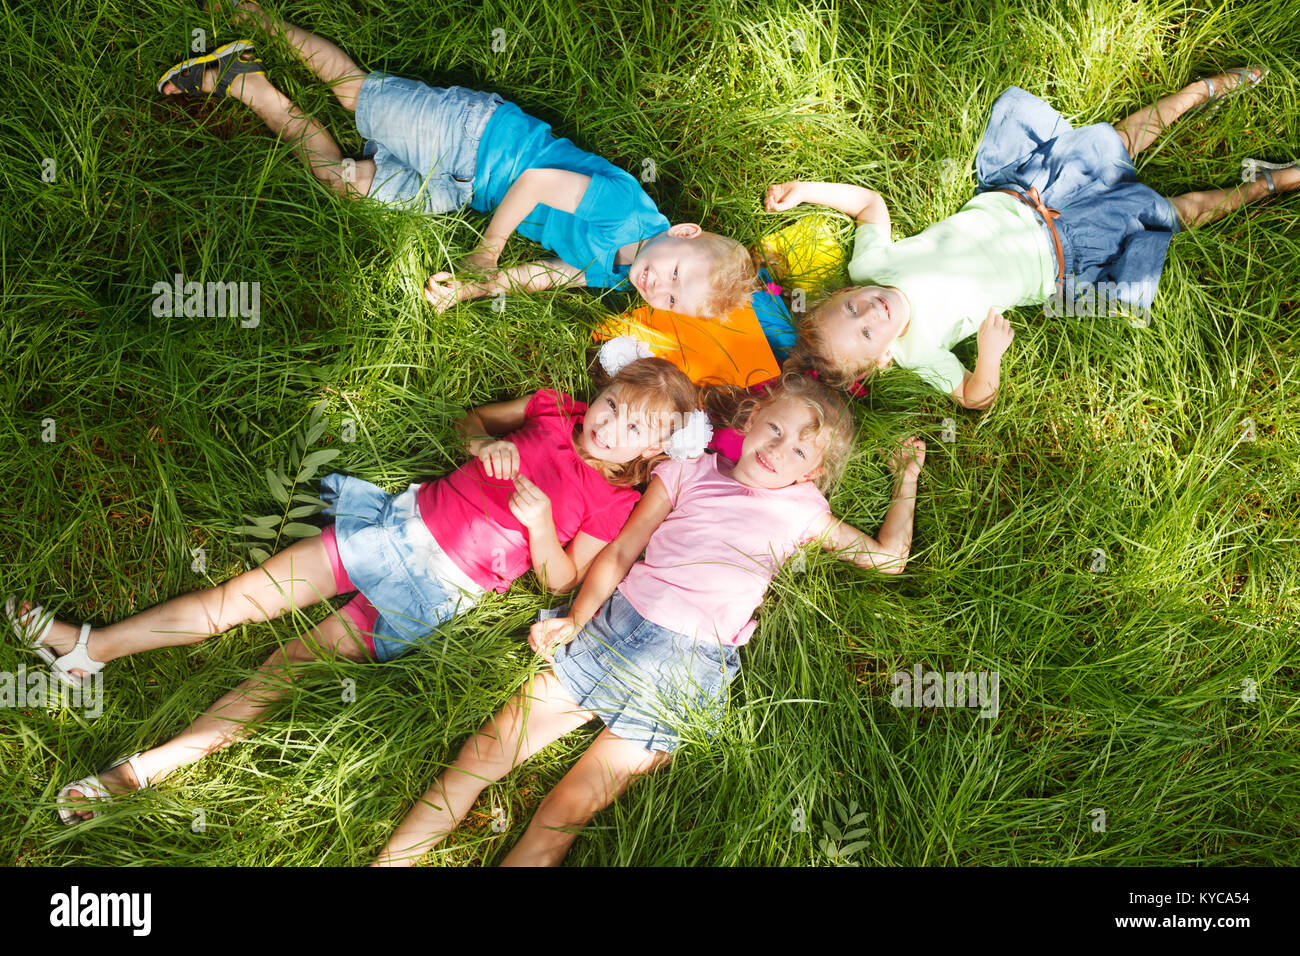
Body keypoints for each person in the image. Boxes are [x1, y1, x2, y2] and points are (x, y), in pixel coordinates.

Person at [9, 348, 706, 824]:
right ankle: (89, 649)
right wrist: (479, 445)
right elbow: (473, 422)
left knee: (279, 673)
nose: (608, 425)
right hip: (393, 528)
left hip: (433, 587)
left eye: (632, 429)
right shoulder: (554, 410)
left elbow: (562, 578)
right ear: (602, 389)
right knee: (238, 600)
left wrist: (544, 525)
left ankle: (140, 773)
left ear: (653, 453)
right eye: (612, 404)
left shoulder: (612, 502)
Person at [374, 372, 925, 865]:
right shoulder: (688, 470)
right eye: (776, 429)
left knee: (564, 808)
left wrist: (907, 480)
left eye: (801, 452)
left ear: (816, 471)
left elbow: (889, 559)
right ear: (753, 417)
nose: (780, 451)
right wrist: (576, 618)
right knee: (484, 752)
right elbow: (619, 552)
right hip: (617, 627)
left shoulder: (805, 510)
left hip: (689, 670)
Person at [155, 3, 757, 318]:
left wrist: (473, 288)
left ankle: (249, 83)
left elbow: (549, 275)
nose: (660, 286)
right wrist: (489, 248)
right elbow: (538, 182)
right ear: (682, 233)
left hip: (464, 191)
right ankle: (255, 17)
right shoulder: (626, 210)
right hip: (475, 138)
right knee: (352, 91)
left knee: (342, 184)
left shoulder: (615, 274)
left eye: (673, 301)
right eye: (676, 272)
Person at [770, 68, 1297, 407]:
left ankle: (1199, 91)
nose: (870, 313)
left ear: (845, 292)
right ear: (883, 359)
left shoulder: (871, 268)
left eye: (851, 309)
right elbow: (974, 399)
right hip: (1068, 252)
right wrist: (989, 355)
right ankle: (1268, 184)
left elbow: (870, 205)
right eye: (866, 334)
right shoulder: (918, 351)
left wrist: (807, 189)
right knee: (1169, 214)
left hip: (1032, 191)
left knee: (1119, 139)